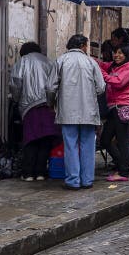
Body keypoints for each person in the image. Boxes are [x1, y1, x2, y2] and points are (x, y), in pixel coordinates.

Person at [46, 35, 106, 190]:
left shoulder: (61, 61)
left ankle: (73, 180)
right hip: (89, 111)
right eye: (87, 45)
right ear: (82, 46)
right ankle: (87, 180)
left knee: (70, 145)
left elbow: (51, 87)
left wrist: (51, 103)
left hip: (68, 111)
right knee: (88, 144)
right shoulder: (91, 62)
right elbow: (101, 87)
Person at [9, 42, 60, 181]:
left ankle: (28, 173)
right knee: (45, 140)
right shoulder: (49, 62)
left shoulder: (22, 62)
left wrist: (15, 99)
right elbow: (55, 84)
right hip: (48, 106)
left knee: (31, 140)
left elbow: (15, 84)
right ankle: (41, 172)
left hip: (29, 107)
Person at [97, 46, 129, 182]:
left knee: (122, 141)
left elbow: (118, 82)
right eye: (115, 52)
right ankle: (122, 166)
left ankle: (124, 172)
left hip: (121, 108)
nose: (117, 55)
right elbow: (103, 64)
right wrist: (90, 60)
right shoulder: (114, 67)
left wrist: (102, 74)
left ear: (126, 54)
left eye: (120, 53)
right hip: (113, 108)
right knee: (105, 140)